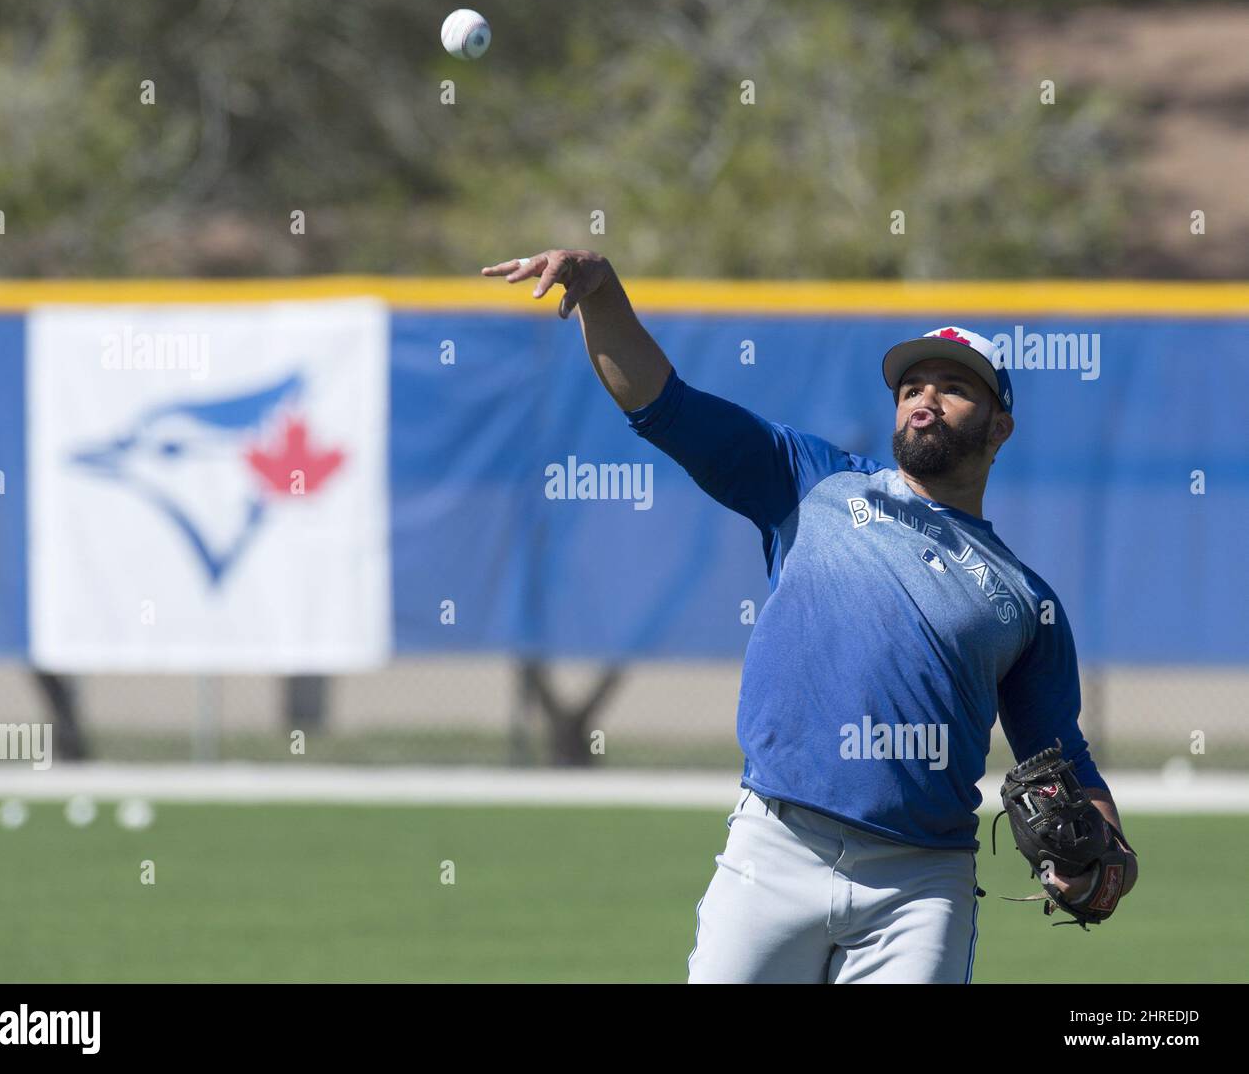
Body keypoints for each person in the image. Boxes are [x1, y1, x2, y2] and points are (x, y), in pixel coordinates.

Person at [482, 249, 1138, 983]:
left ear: (999, 427)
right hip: (774, 852)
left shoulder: (1025, 599)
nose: (924, 398)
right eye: (912, 385)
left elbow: (1061, 755)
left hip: (920, 888)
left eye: (954, 389)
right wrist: (602, 295)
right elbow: (666, 409)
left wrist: (1111, 861)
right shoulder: (814, 483)